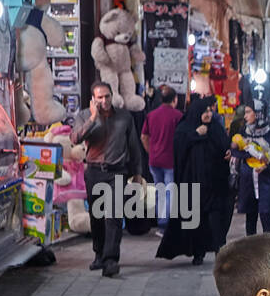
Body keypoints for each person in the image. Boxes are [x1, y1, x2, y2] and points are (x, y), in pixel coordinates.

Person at [71, 81, 142, 278]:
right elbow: (74, 138)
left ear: (112, 96)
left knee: (114, 216)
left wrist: (137, 172)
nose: (104, 101)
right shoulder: (84, 116)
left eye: (107, 96)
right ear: (93, 100)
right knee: (97, 216)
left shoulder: (124, 117)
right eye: (100, 97)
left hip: (117, 171)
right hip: (94, 171)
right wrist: (93, 118)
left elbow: (133, 146)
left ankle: (111, 260)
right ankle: (99, 254)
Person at [157, 95, 229, 264]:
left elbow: (224, 145)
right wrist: (196, 134)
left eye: (210, 111)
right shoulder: (185, 129)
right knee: (196, 221)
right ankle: (199, 253)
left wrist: (228, 153)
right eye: (205, 111)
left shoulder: (215, 128)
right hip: (192, 184)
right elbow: (178, 148)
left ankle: (220, 250)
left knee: (216, 219)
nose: (208, 114)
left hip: (214, 183)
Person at [231, 105, 270, 235]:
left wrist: (267, 166)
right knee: (251, 216)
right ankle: (251, 251)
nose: (245, 116)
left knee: (265, 214)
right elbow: (235, 150)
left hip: (266, 180)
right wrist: (250, 155)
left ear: (259, 114)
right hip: (248, 180)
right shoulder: (244, 131)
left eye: (249, 112)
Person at [142, 85, 183, 229]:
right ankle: (167, 223)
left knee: (159, 191)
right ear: (175, 99)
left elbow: (144, 136)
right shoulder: (178, 116)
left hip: (154, 160)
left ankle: (161, 221)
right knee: (170, 192)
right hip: (170, 161)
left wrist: (150, 151)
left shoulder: (151, 115)